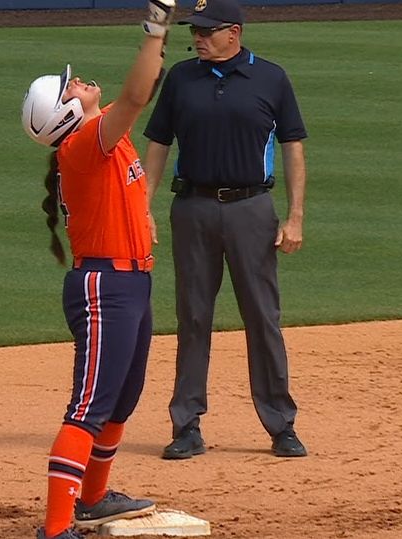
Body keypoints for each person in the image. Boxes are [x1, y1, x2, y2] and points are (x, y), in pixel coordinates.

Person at [20, 1, 176, 538]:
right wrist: (156, 29)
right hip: (105, 287)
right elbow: (137, 95)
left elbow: (139, 95)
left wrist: (143, 213)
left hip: (133, 281)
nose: (81, 82)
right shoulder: (85, 144)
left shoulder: (105, 137)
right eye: (70, 88)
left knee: (120, 399)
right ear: (62, 116)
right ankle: (57, 527)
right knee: (88, 406)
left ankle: (93, 498)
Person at [143, 0, 309, 459]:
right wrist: (144, 205)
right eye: (194, 30)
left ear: (233, 32)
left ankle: (281, 425)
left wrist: (294, 216)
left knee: (262, 316)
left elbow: (293, 147)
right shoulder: (180, 77)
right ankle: (186, 425)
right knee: (193, 316)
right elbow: (158, 143)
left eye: (207, 31)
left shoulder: (271, 77)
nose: (198, 37)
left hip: (251, 208)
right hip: (192, 207)